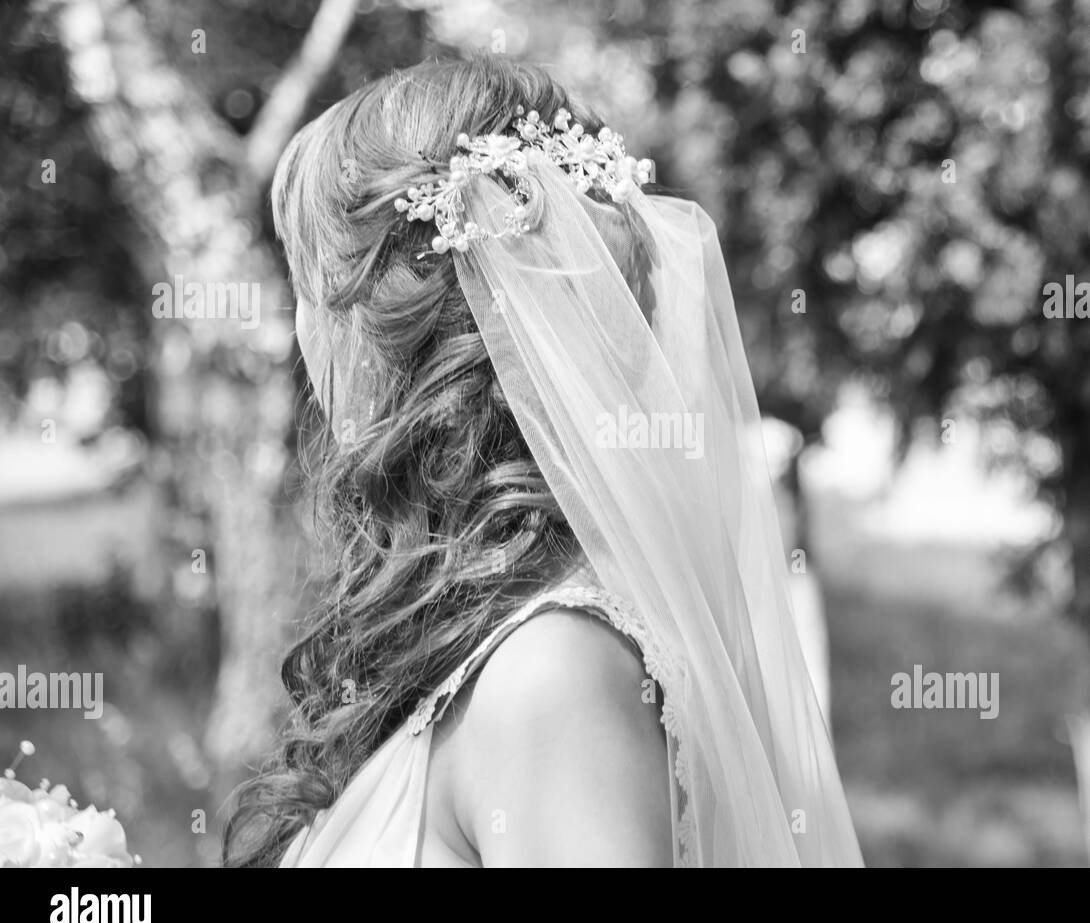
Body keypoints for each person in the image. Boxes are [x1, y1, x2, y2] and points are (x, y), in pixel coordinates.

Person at [223, 54, 863, 868]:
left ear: (390, 332)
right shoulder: (475, 642)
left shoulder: (552, 674)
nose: (306, 339)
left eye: (313, 293)